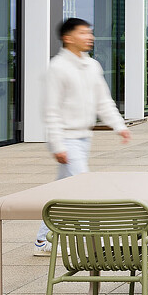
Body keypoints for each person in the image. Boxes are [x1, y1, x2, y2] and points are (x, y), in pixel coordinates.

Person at [34, 18, 131, 256]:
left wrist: (119, 125)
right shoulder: (57, 68)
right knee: (85, 188)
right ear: (68, 38)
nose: (90, 37)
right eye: (83, 33)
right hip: (67, 140)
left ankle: (40, 241)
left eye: (90, 32)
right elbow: (51, 110)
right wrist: (57, 144)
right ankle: (93, 242)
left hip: (83, 137)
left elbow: (103, 100)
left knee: (62, 192)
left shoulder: (92, 66)